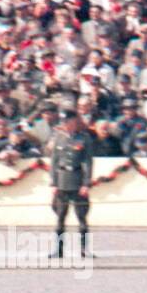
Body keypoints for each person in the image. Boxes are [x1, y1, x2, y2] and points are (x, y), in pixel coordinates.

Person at [47, 107, 94, 258]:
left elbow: (87, 162)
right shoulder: (59, 138)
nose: (66, 124)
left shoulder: (83, 138)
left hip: (77, 178)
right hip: (62, 180)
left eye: (68, 121)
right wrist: (53, 183)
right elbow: (54, 161)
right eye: (64, 122)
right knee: (60, 217)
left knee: (82, 217)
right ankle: (59, 249)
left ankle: (84, 249)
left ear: (75, 121)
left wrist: (86, 183)